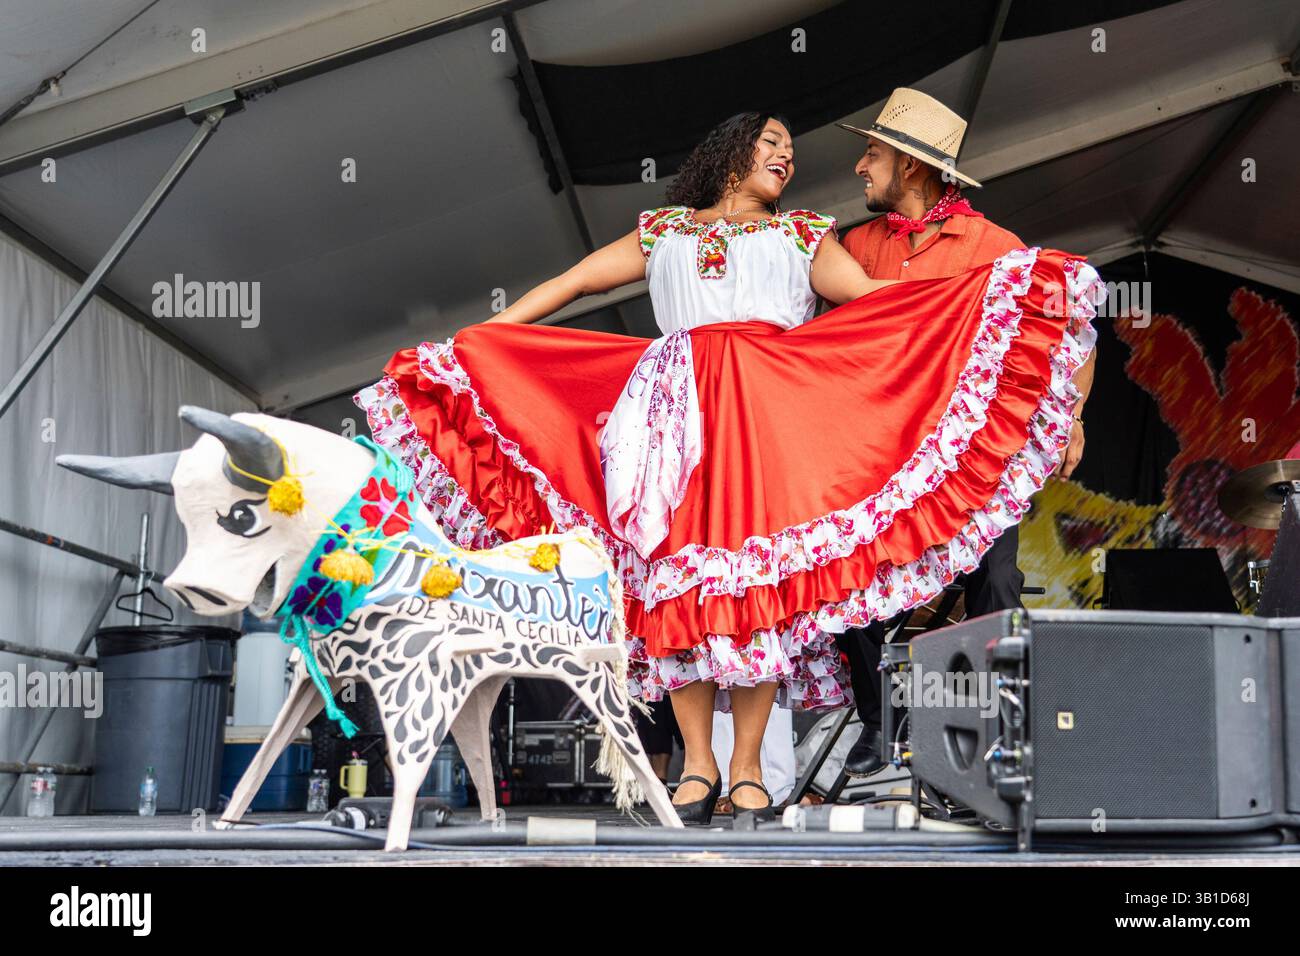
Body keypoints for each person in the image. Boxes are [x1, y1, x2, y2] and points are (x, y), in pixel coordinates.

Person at [356, 110, 1098, 825]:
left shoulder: (805, 235)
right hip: (672, 414)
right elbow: (580, 281)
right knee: (677, 579)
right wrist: (489, 334)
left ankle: (746, 768)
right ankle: (697, 767)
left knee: (757, 587)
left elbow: (876, 301)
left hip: (766, 415)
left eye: (790, 150)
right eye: (773, 142)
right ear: (733, 152)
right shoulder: (666, 229)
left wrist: (992, 302)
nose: (789, 156)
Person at [833, 88, 1098, 776]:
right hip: (875, 463)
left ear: (912, 168)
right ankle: (880, 722)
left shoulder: (994, 248)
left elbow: (1074, 326)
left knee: (996, 578)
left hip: (969, 464)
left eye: (873, 153)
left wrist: (1071, 413)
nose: (861, 167)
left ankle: (1001, 734)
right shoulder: (854, 246)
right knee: (842, 586)